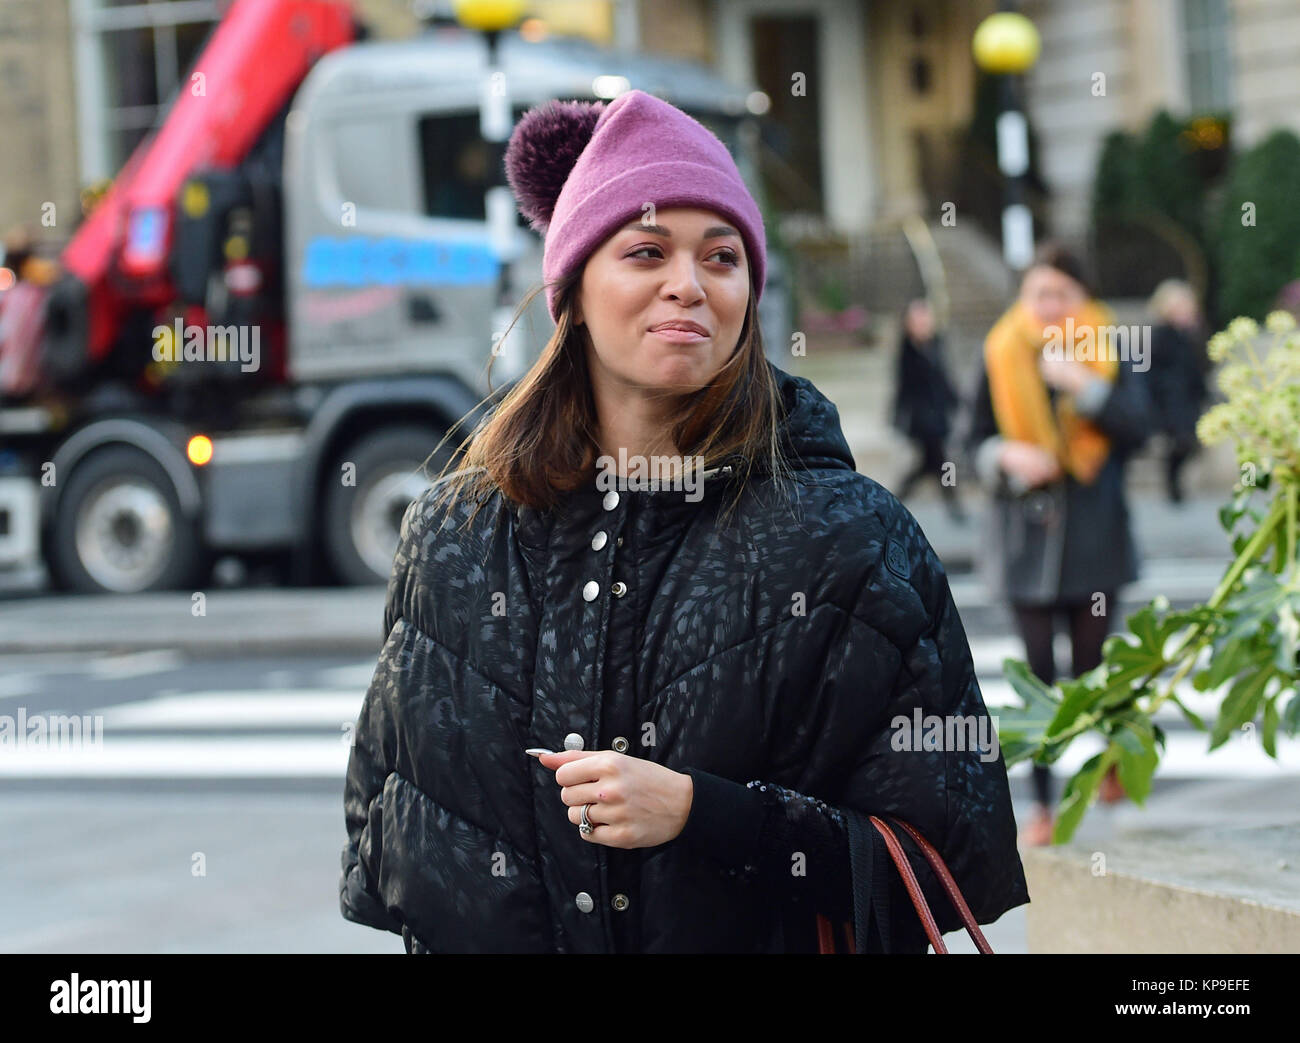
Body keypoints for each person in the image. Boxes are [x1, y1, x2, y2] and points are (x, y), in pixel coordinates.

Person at [340, 89, 1027, 953]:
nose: (688, 284)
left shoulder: (853, 538)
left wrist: (710, 816)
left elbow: (946, 864)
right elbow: (400, 862)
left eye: (721, 256)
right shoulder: (453, 536)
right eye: (646, 250)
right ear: (575, 292)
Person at [967, 243, 1151, 847]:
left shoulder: (1108, 345)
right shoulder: (999, 349)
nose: (1048, 307)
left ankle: (1110, 767)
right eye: (1037, 294)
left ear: (1082, 299)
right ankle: (1042, 808)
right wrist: (1004, 455)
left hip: (1094, 542)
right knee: (1039, 678)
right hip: (1023, 544)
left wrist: (1087, 388)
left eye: (1060, 296)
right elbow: (966, 442)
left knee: (1095, 669)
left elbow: (1140, 430)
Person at [891, 298, 966, 521]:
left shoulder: (936, 345)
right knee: (941, 464)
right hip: (923, 421)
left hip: (938, 416)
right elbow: (904, 389)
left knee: (927, 466)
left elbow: (944, 380)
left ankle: (894, 501)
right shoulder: (908, 352)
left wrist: (959, 402)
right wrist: (898, 418)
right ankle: (955, 508)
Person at [1145, 279, 1210, 504]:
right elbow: (1153, 371)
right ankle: (1172, 483)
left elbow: (1199, 366)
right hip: (1171, 400)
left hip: (1188, 399)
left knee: (1190, 443)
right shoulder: (1161, 335)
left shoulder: (1192, 334)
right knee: (1182, 441)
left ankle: (1174, 481)